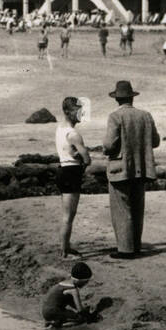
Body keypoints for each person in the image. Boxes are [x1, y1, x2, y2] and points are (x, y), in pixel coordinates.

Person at [103, 80, 160, 258]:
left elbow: (109, 145)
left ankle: (126, 249)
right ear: (132, 97)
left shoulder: (115, 117)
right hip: (142, 169)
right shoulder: (146, 115)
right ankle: (135, 246)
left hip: (120, 169)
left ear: (117, 99)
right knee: (137, 209)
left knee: (122, 209)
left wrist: (104, 149)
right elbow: (156, 142)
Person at [56, 96, 92, 258]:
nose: (80, 114)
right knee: (69, 215)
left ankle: (65, 247)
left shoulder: (60, 129)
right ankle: (65, 250)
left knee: (67, 214)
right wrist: (81, 156)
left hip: (63, 169)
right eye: (77, 111)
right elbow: (87, 159)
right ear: (68, 112)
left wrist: (76, 154)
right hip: (71, 173)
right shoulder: (73, 134)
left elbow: (67, 151)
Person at [41, 262, 100, 329]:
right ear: (79, 281)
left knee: (69, 313)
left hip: (45, 311)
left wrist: (84, 307)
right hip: (53, 311)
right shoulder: (73, 290)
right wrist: (90, 315)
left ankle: (51, 321)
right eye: (85, 282)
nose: (86, 284)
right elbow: (80, 310)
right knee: (80, 319)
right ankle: (57, 325)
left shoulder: (63, 283)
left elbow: (71, 303)